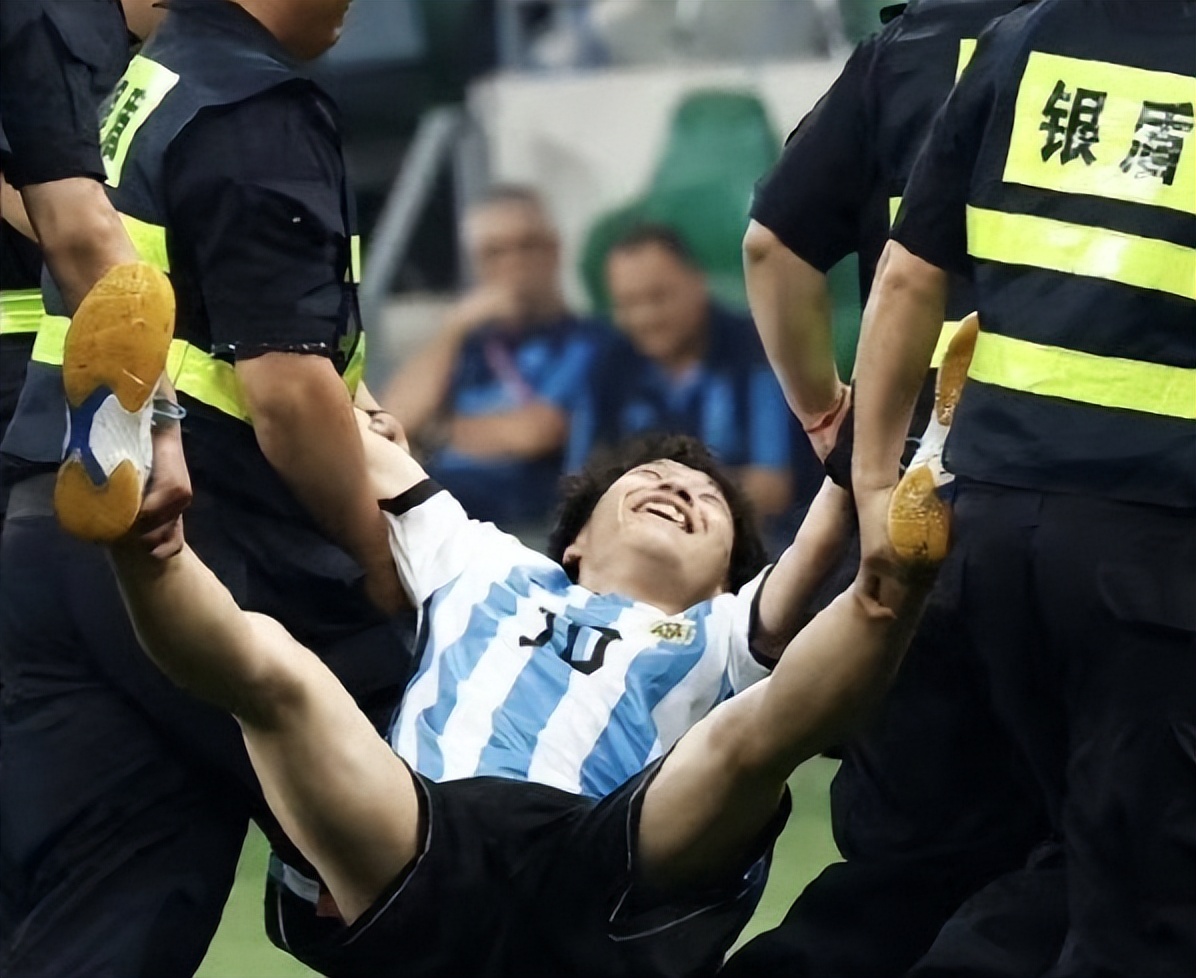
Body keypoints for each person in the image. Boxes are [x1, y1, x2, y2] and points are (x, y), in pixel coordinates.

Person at [104, 359, 949, 977]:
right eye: (649, 479)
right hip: (422, 840)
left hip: (611, 862)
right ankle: (133, 522)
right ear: (574, 537)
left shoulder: (722, 632)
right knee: (274, 671)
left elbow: (819, 535)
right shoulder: (478, 557)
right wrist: (304, 340)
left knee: (752, 735)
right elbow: (343, 420)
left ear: (733, 574)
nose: (675, 488)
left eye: (706, 503)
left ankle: (895, 578)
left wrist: (864, 451)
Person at [0, 1, 416, 974]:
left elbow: (96, 248)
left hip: (51, 525)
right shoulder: (247, 102)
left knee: (111, 912)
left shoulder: (150, 82)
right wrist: (378, 557)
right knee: (453, 839)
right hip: (204, 545)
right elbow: (283, 390)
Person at [852, 1, 1196, 975]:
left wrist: (876, 486)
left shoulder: (1024, 38)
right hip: (1150, 549)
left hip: (991, 532)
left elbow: (907, 276)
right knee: (1150, 907)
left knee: (1077, 856)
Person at [724, 3, 1051, 976]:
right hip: (1085, 506)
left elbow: (770, 248)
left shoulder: (901, 54)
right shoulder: (1122, 48)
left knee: (907, 863)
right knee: (1094, 845)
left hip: (908, 510)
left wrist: (830, 416)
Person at [568, 224, 813, 552]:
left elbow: (772, 488)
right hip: (639, 547)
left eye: (659, 297)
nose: (645, 317)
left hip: (753, 544)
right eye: (628, 304)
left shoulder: (757, 349)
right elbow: (575, 484)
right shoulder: (608, 365)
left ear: (697, 283)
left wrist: (649, 499)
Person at [382, 185, 601, 532]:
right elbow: (393, 419)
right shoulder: (465, 345)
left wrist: (436, 432)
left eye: (527, 246)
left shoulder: (588, 341)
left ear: (554, 251)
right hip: (440, 513)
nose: (514, 264)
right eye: (495, 253)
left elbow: (536, 432)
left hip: (524, 520)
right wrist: (454, 328)